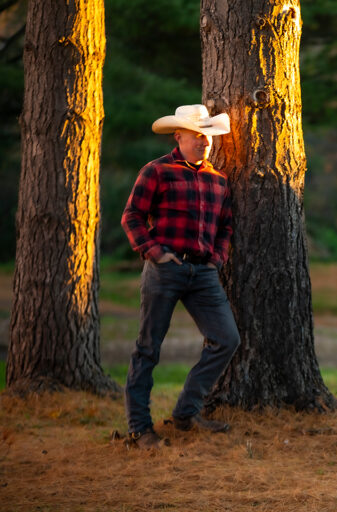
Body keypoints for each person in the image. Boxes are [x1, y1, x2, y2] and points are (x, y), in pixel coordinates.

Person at [121, 104, 241, 449]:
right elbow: (132, 217)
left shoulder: (218, 179)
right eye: (196, 135)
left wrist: (216, 259)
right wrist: (155, 253)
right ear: (179, 136)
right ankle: (139, 428)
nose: (204, 141)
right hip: (165, 271)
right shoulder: (157, 171)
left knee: (226, 339)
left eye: (208, 136)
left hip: (203, 272)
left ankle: (186, 413)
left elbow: (226, 226)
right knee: (148, 348)